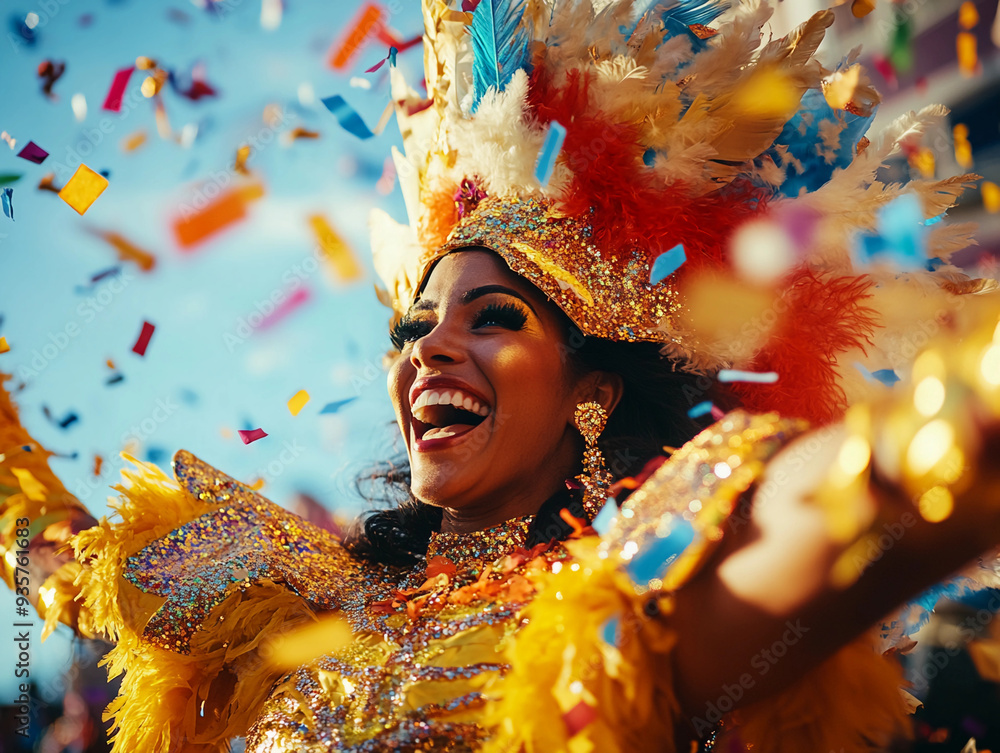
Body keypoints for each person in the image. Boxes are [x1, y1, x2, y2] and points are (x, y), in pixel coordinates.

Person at [3, 0, 1000, 751]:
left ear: (592, 395)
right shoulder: (296, 593)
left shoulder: (624, 601)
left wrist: (959, 415)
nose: (428, 349)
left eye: (494, 318)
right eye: (415, 326)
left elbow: (839, 498)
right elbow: (73, 568)